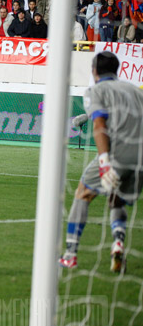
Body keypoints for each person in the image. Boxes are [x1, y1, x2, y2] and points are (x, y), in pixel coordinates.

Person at [60, 52, 143, 272]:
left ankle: (70, 255)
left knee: (83, 194)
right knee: (117, 199)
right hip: (140, 158)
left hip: (116, 153)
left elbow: (99, 124)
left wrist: (105, 162)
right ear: (116, 70)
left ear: (95, 71)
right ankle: (117, 243)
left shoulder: (96, 90)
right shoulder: (135, 91)